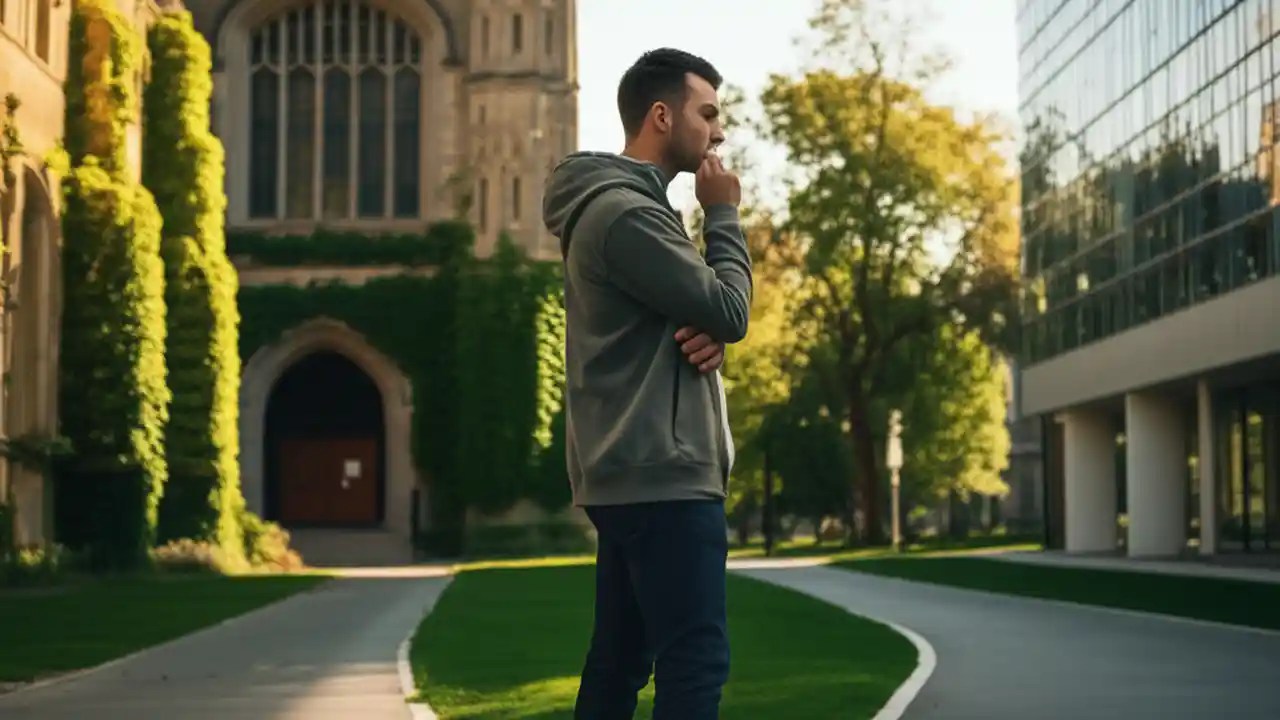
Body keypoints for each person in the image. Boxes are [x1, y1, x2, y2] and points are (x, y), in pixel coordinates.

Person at [542, 47, 753, 720]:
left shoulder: (624, 209)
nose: (719, 132)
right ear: (662, 115)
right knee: (694, 662)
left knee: (620, 662)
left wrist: (706, 326)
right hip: (662, 476)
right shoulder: (627, 215)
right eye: (708, 113)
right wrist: (722, 214)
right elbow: (730, 309)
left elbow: (703, 316)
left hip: (634, 472)